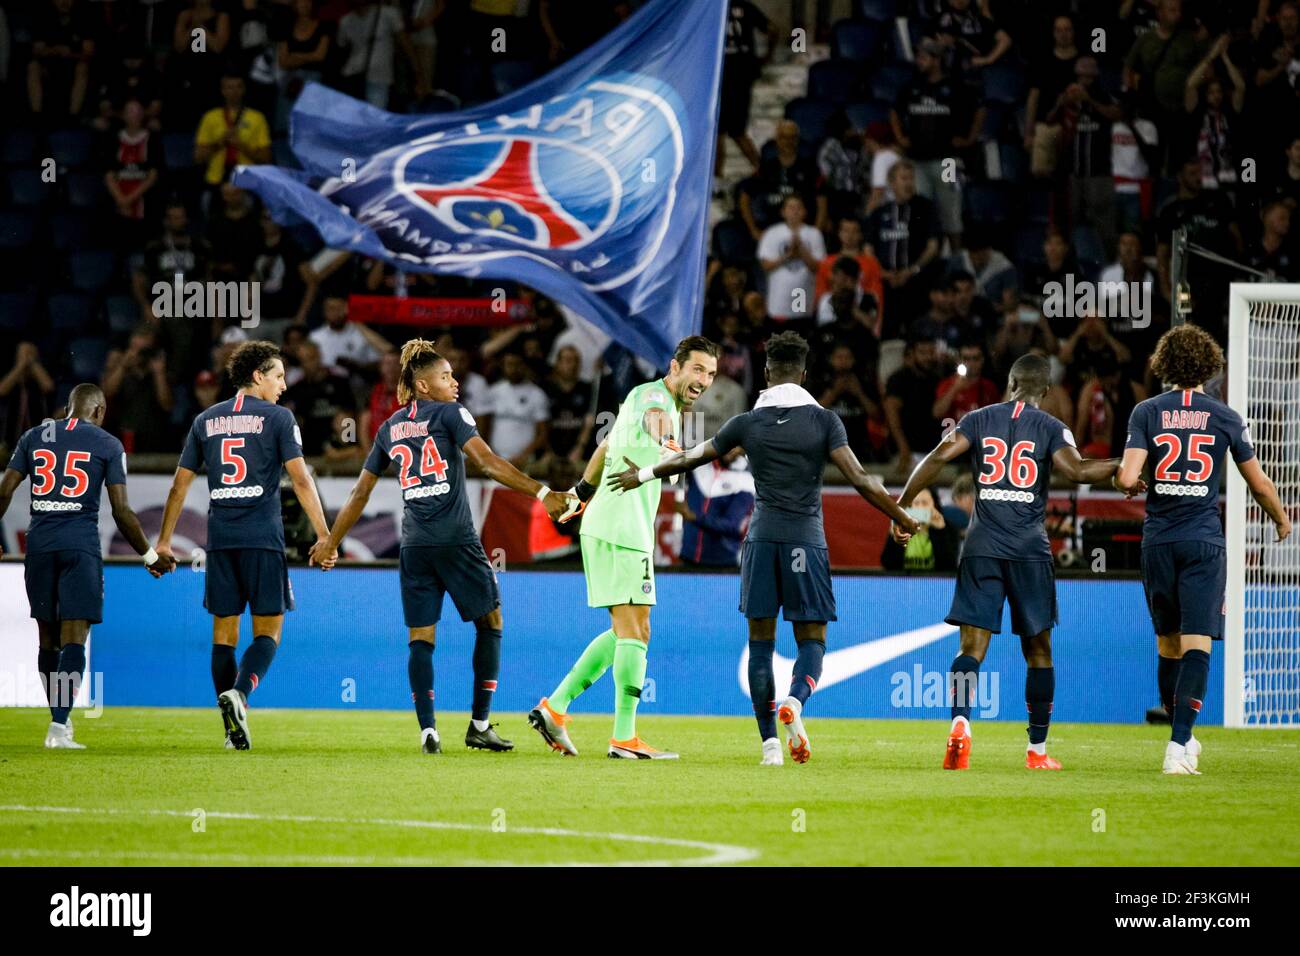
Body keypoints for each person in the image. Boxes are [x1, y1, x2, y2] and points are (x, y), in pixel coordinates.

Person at [605, 332, 917, 765]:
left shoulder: (746, 422)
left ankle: (770, 744)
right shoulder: (825, 421)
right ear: (805, 374)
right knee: (813, 640)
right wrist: (900, 516)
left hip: (761, 540)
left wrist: (642, 475)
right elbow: (861, 479)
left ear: (767, 373)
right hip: (805, 540)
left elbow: (691, 457)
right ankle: (796, 700)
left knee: (760, 645)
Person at [310, 340, 573, 754]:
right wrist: (542, 492)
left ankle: (428, 731)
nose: (454, 382)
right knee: (491, 622)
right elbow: (487, 462)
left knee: (421, 636)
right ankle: (479, 724)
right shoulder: (452, 414)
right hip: (456, 539)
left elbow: (361, 493)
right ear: (423, 385)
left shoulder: (390, 426)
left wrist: (330, 542)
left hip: (414, 544)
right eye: (446, 376)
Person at [895, 353, 1130, 771]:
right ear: (1046, 391)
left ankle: (961, 724)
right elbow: (1076, 471)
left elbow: (935, 458)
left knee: (971, 647)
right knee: (1039, 652)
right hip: (1028, 551)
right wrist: (1123, 465)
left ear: (1010, 382)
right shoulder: (1052, 426)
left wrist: (902, 507)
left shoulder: (978, 419)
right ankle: (1037, 751)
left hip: (981, 544)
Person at [528, 337, 719, 760]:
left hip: (607, 524)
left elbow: (605, 446)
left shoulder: (640, 397)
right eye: (698, 370)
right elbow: (657, 421)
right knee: (637, 631)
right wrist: (671, 446)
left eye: (710, 374)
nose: (703, 380)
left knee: (626, 631)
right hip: (622, 529)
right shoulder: (655, 399)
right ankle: (624, 737)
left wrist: (580, 491)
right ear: (676, 366)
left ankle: (555, 708)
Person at [1115, 325, 1290, 774]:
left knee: (1168, 645)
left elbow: (1125, 478)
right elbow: (1258, 482)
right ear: (1210, 367)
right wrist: (1282, 518)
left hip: (1159, 541)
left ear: (1164, 365)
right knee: (1198, 644)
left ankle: (1181, 738)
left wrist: (1142, 482)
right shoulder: (1225, 416)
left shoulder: (1146, 412)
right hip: (1203, 542)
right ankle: (1177, 746)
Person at [153, 341, 334, 750]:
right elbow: (302, 481)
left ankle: (230, 732)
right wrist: (324, 535)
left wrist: (164, 541)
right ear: (257, 376)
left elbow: (179, 484)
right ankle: (242, 693)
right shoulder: (279, 418)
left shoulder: (205, 420)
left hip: (220, 541)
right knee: (269, 632)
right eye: (278, 376)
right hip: (263, 539)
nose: (284, 385)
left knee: (223, 635)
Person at [0, 384, 174, 749]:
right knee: (73, 638)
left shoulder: (34, 436)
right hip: (79, 547)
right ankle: (60, 727)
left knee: (46, 639)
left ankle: (57, 723)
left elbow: (5, 490)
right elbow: (122, 511)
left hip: (40, 546)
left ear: (67, 408)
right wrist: (149, 556)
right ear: (98, 412)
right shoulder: (108, 444)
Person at [757, 195, 826, 332]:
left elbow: (817, 267)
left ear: (805, 212)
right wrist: (787, 255)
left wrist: (801, 249)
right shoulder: (772, 233)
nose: (794, 211)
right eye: (790, 207)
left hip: (801, 294)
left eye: (798, 207)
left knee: (798, 335)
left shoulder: (814, 234)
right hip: (778, 301)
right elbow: (766, 265)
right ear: (783, 212)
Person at [677, 448, 755, 568]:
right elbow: (675, 462)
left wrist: (694, 517)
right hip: (688, 556)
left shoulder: (746, 480)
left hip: (721, 563)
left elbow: (732, 525)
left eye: (736, 445)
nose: (731, 449)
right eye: (728, 443)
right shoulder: (699, 466)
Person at [194, 73, 272, 188]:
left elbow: (266, 158)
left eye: (238, 87)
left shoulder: (257, 118)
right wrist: (220, 142)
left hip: (248, 179)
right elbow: (198, 157)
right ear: (223, 91)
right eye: (230, 87)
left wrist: (240, 145)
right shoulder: (210, 117)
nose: (234, 92)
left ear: (244, 89)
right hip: (216, 179)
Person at [481, 351, 550, 467]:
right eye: (509, 364)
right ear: (503, 366)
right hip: (495, 459)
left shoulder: (537, 394)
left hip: (525, 461)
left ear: (525, 366)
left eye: (518, 364)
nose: (514, 368)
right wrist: (490, 453)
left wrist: (523, 456)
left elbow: (543, 434)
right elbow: (485, 427)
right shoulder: (493, 391)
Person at [880, 487, 957, 571]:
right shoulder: (902, 528)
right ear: (910, 507)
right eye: (916, 503)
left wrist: (941, 531)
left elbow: (949, 566)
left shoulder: (947, 528)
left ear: (935, 505)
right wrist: (894, 537)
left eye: (925, 503)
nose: (920, 507)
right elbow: (887, 564)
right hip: (904, 582)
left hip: (934, 583)